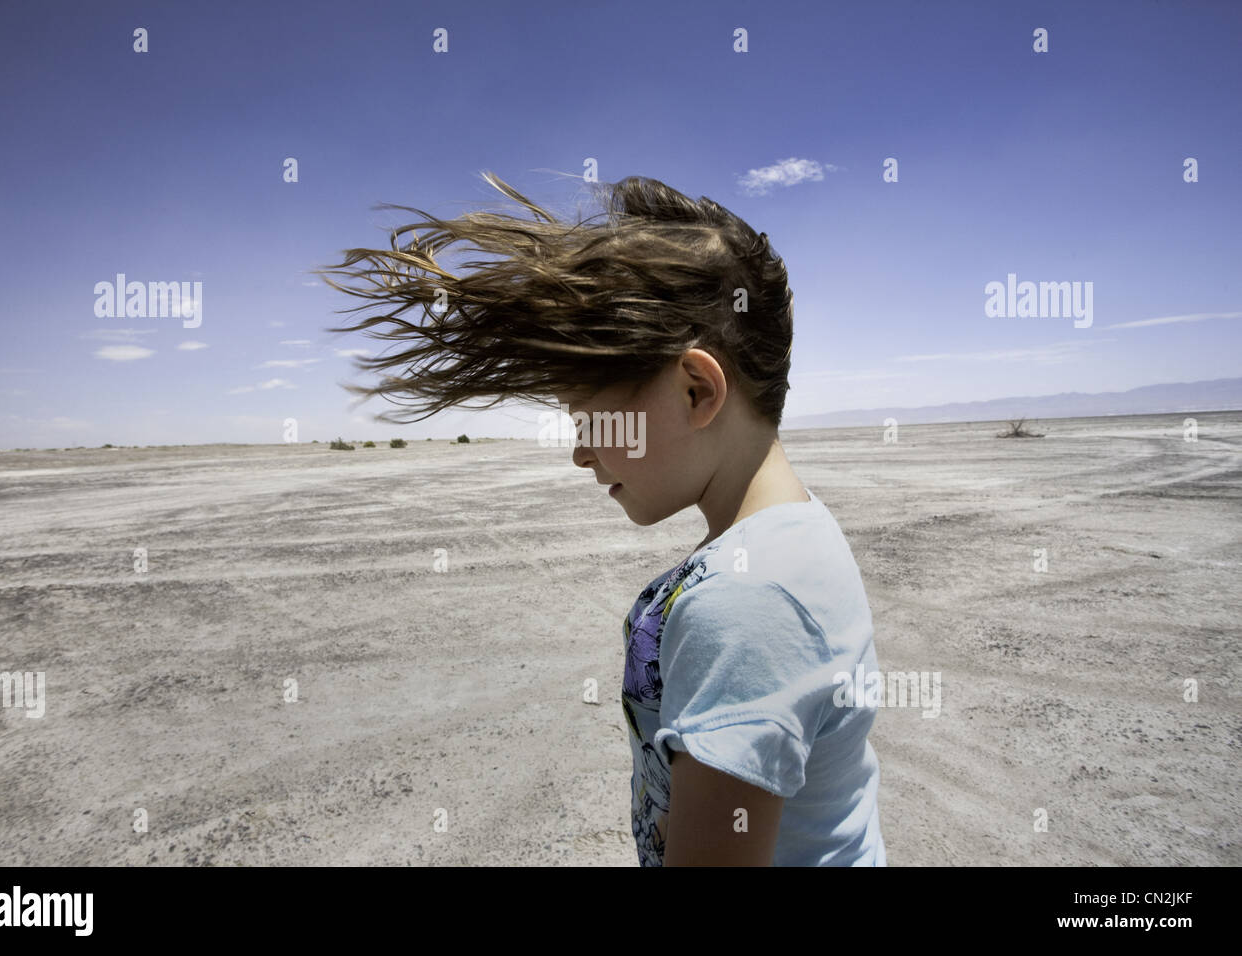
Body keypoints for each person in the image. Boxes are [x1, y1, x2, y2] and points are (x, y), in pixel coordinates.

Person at [314, 171, 886, 866]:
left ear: (697, 388)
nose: (581, 453)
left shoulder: (748, 605)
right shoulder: (787, 537)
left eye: (593, 419)